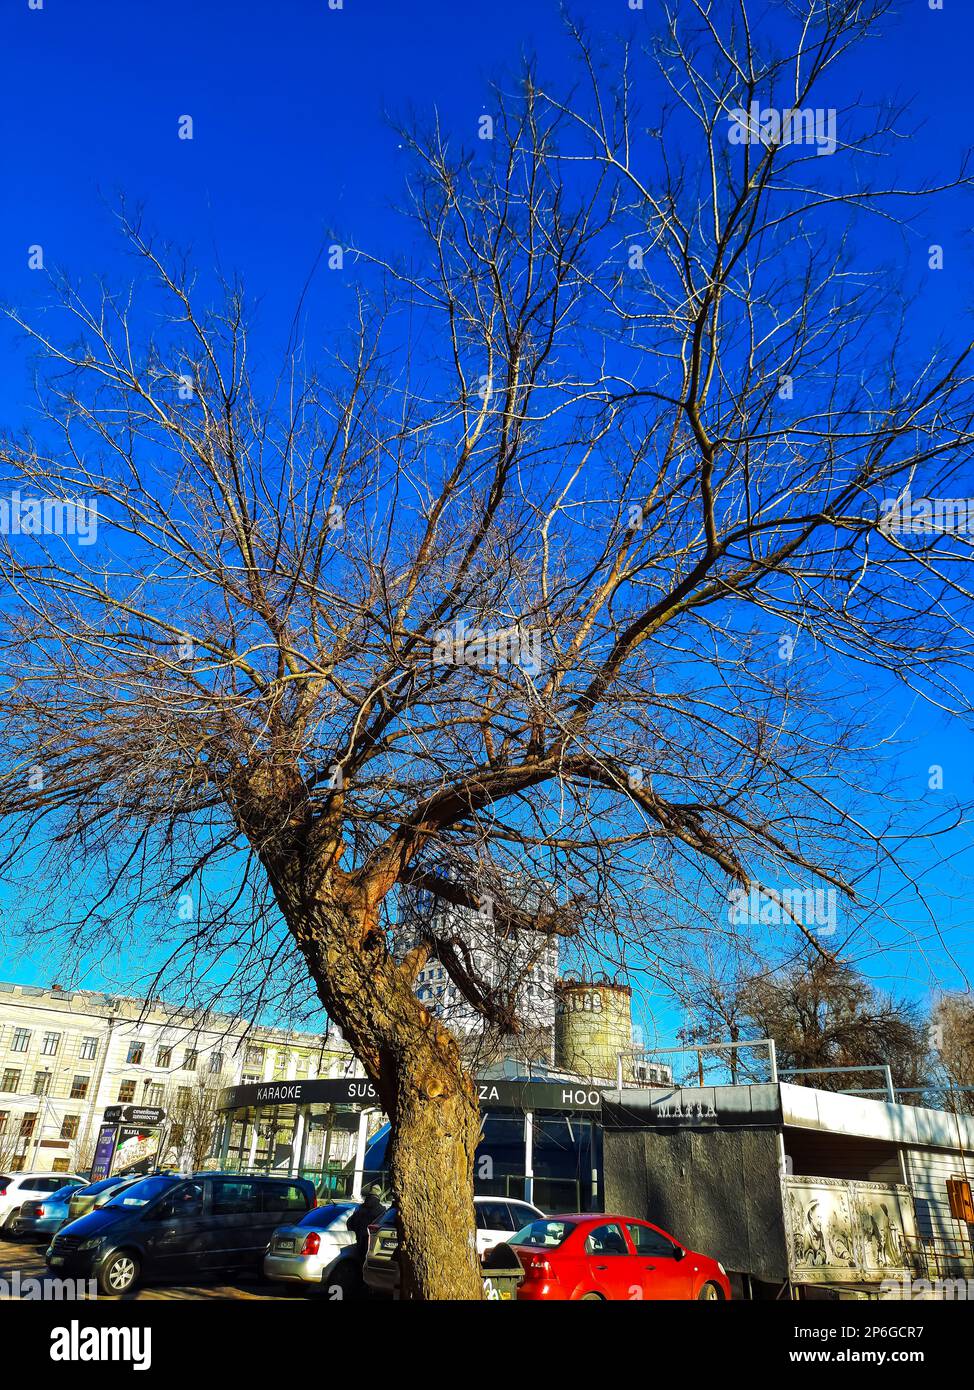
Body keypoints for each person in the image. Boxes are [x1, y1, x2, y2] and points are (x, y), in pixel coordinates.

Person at [347, 1184, 386, 1266]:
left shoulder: (360, 1208)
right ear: (379, 1195)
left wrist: (357, 1231)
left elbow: (350, 1222)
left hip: (359, 1240)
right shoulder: (381, 1209)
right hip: (373, 1242)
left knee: (359, 1265)